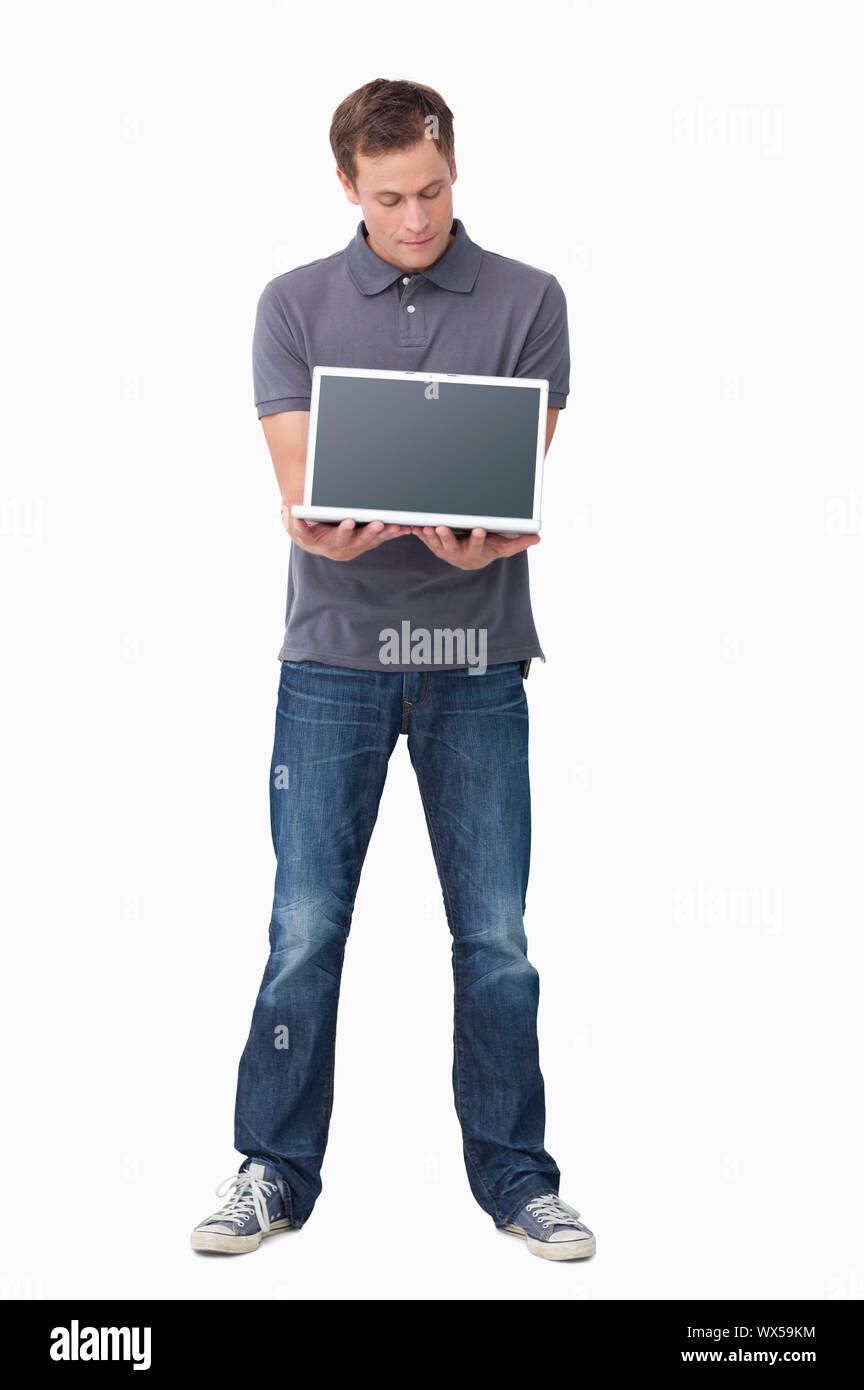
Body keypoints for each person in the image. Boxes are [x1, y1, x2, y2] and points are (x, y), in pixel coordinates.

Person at [191, 78, 595, 1262]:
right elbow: (296, 477)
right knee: (304, 928)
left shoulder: (530, 298)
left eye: (429, 192)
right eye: (388, 199)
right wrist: (308, 525)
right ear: (346, 188)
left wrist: (487, 535)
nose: (414, 220)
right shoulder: (293, 302)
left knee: (496, 936)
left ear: (452, 169)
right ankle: (271, 1168)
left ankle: (518, 1178)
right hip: (331, 657)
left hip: (476, 656)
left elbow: (513, 474)